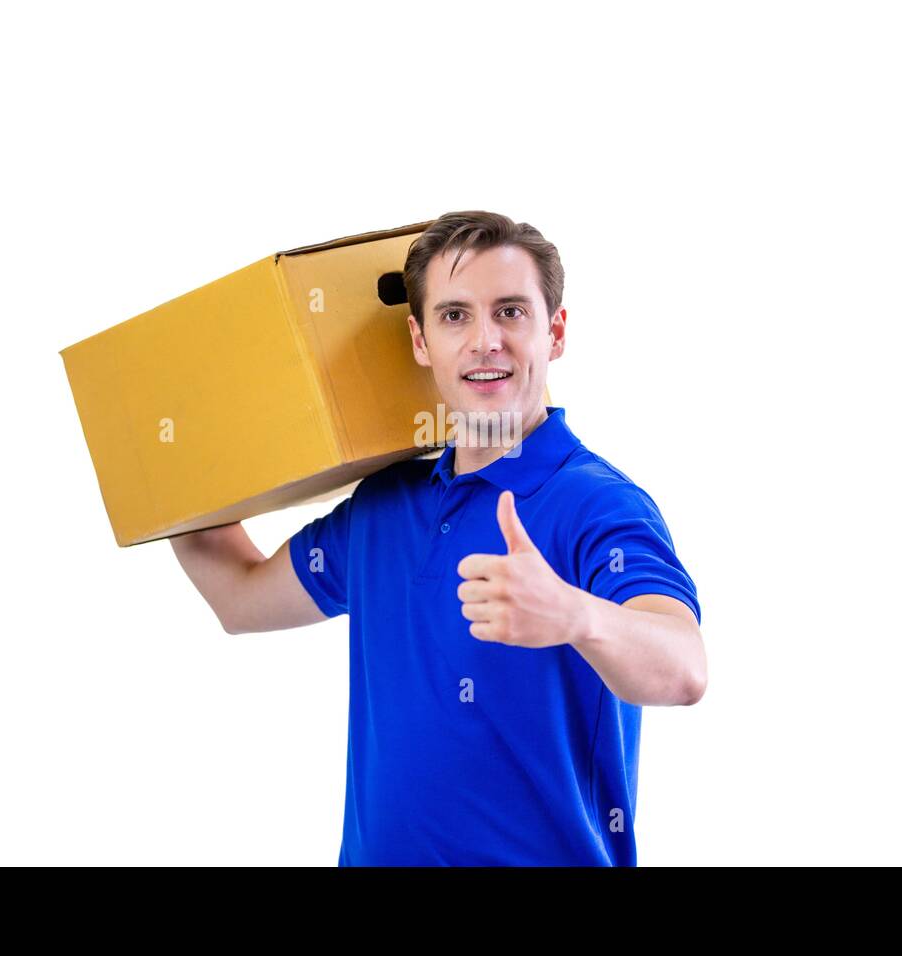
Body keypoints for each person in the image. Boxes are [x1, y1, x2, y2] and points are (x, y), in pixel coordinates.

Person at [170, 211, 706, 866]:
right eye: (455, 316)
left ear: (555, 332)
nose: (485, 341)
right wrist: (170, 469)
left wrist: (575, 614)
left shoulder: (596, 503)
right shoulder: (383, 508)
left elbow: (683, 669)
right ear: (420, 340)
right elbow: (239, 596)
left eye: (511, 312)